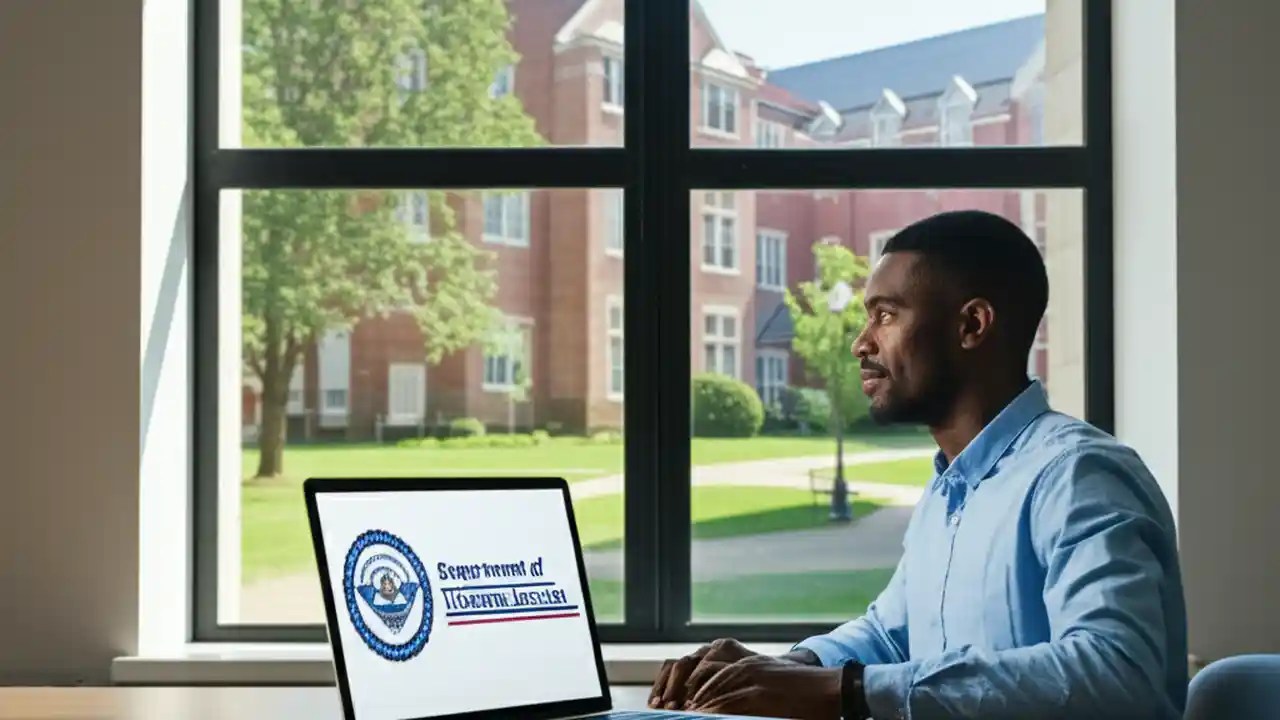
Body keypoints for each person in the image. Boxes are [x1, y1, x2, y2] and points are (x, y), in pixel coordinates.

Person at [649, 211, 1186, 719]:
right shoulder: (951, 488)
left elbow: (1118, 673)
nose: (862, 343)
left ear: (972, 324)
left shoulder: (1077, 475)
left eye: (885, 315)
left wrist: (846, 692)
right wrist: (788, 667)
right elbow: (892, 633)